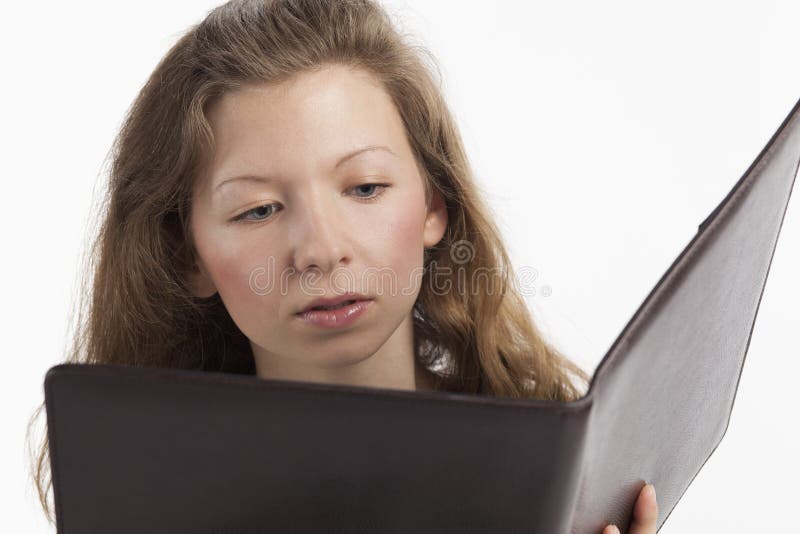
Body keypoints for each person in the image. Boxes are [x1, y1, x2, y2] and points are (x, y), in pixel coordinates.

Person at [27, 0, 658, 531]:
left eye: (364, 188)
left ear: (434, 204)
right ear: (186, 254)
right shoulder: (146, 503)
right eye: (258, 210)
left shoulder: (554, 471)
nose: (323, 250)